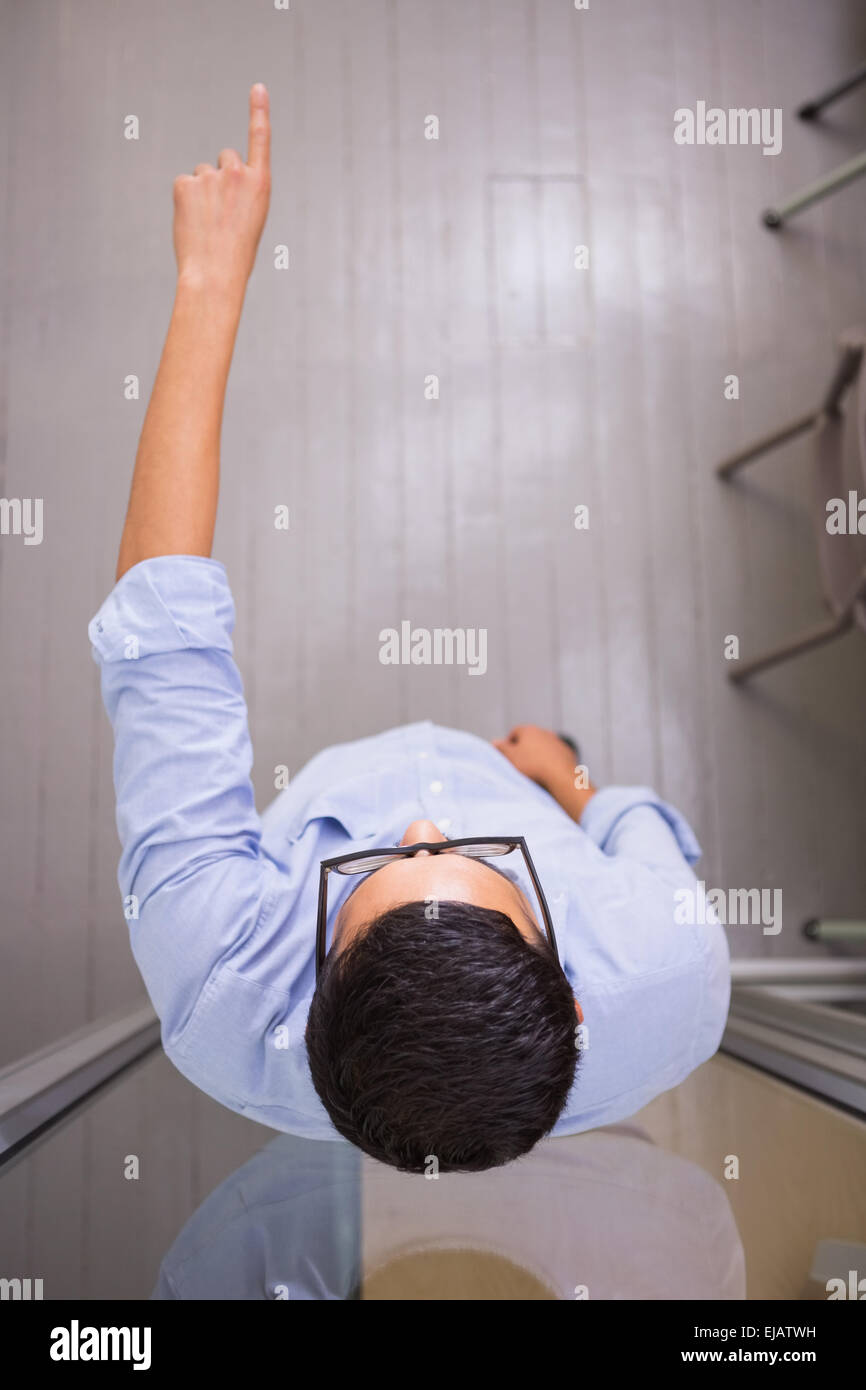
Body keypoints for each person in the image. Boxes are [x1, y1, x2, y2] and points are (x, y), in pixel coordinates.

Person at [89, 85, 730, 1175]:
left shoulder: (217, 976)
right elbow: (637, 838)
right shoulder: (669, 969)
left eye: (381, 865)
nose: (426, 819)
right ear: (575, 990)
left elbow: (164, 625)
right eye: (480, 859)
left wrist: (209, 278)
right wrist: (566, 784)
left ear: (309, 987)